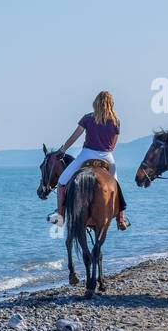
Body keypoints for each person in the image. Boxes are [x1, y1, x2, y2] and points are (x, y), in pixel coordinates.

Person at [48, 91, 130, 231]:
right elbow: (113, 145)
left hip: (87, 154)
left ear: (96, 103)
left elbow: (74, 137)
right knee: (116, 185)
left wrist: (62, 150)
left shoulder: (88, 118)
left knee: (62, 181)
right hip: (107, 156)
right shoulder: (116, 121)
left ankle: (60, 216)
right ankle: (121, 219)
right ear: (111, 104)